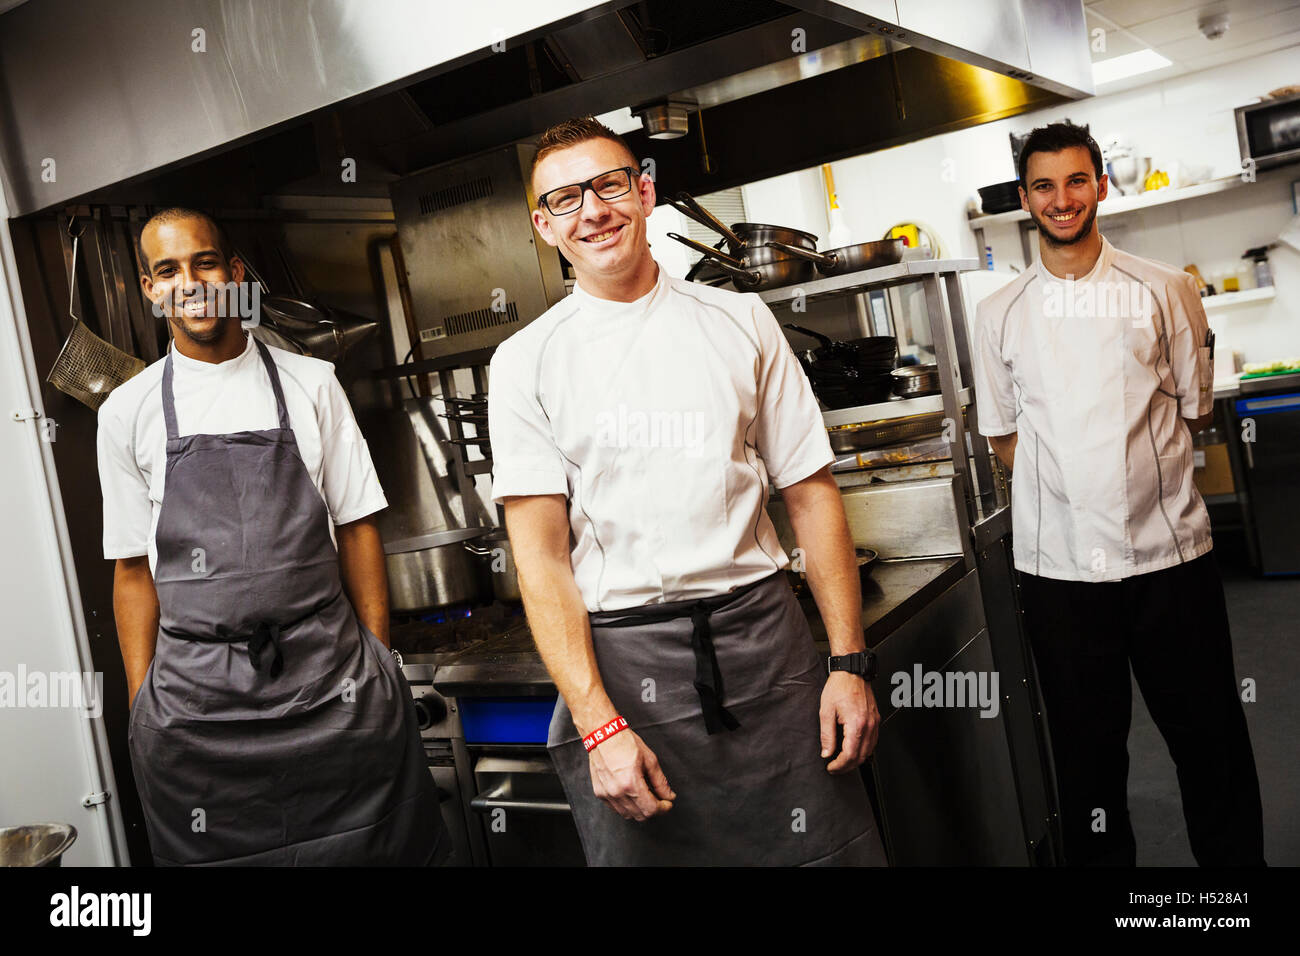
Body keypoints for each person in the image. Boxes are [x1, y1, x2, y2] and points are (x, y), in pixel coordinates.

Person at [487, 117, 887, 866]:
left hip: (767, 647)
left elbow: (811, 492)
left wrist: (849, 664)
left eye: (608, 186)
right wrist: (597, 724)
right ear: (544, 227)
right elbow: (539, 560)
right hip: (626, 674)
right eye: (566, 200)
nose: (593, 212)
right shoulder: (524, 362)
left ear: (644, 192)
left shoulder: (740, 320)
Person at [97, 208, 447, 865]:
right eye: (167, 270)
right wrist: (145, 707)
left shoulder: (312, 384)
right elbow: (132, 573)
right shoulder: (127, 412)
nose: (190, 282)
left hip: (331, 690)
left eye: (204, 262)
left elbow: (358, 526)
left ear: (233, 274)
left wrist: (377, 659)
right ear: (150, 290)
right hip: (200, 715)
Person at [971, 122, 1265, 866]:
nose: (1061, 200)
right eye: (1044, 185)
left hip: (1170, 561)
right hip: (1061, 574)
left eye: (1076, 181)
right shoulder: (997, 314)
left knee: (1211, 744)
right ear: (1024, 197)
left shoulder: (1165, 288)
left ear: (1101, 184)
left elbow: (1195, 410)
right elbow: (1004, 437)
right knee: (1087, 762)